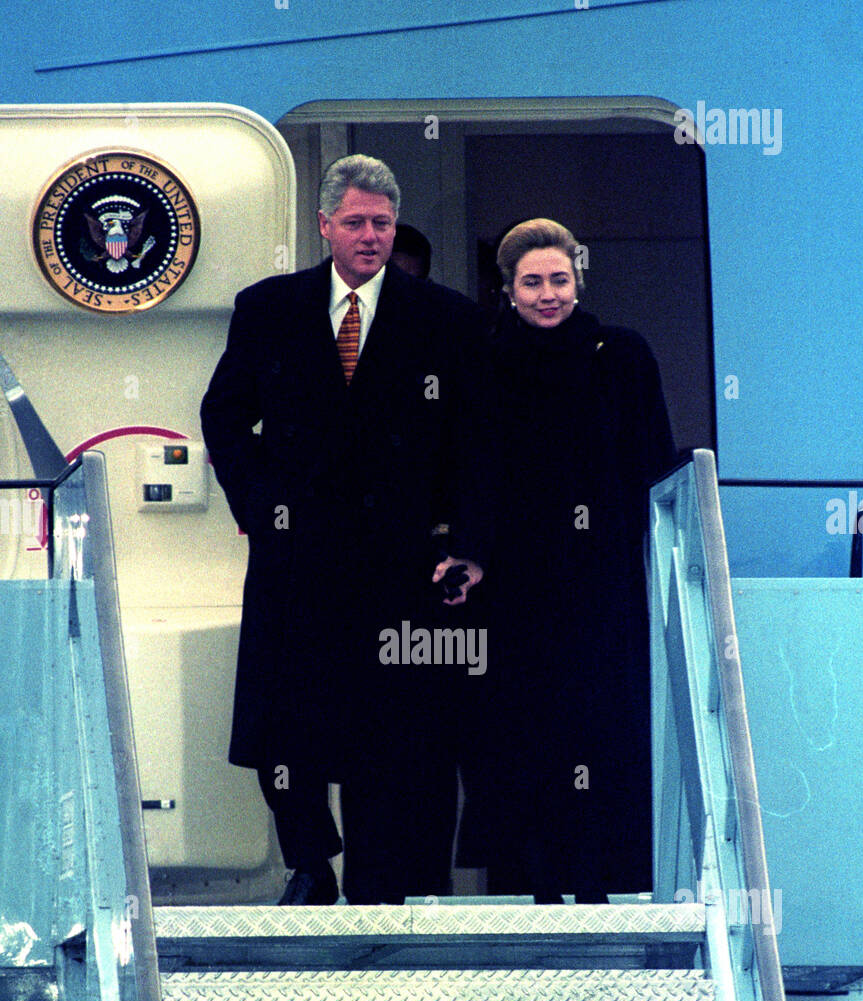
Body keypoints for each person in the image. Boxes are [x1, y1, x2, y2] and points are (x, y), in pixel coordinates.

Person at [201, 155, 494, 905]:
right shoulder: (268, 307)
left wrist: (465, 543)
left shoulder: (446, 317)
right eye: (357, 222)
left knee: (390, 732)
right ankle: (310, 861)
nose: (370, 236)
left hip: (400, 560)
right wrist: (261, 509)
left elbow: (475, 439)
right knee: (283, 724)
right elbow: (225, 417)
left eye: (383, 224)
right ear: (326, 225)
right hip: (296, 554)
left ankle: (379, 886)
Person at [462, 217, 676, 903]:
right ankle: (533, 884)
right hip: (517, 586)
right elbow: (471, 471)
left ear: (579, 280)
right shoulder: (486, 358)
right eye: (532, 282)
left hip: (603, 582)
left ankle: (601, 880)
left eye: (559, 279)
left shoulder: (624, 355)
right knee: (521, 736)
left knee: (602, 725)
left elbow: (653, 466)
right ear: (508, 289)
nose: (548, 294)